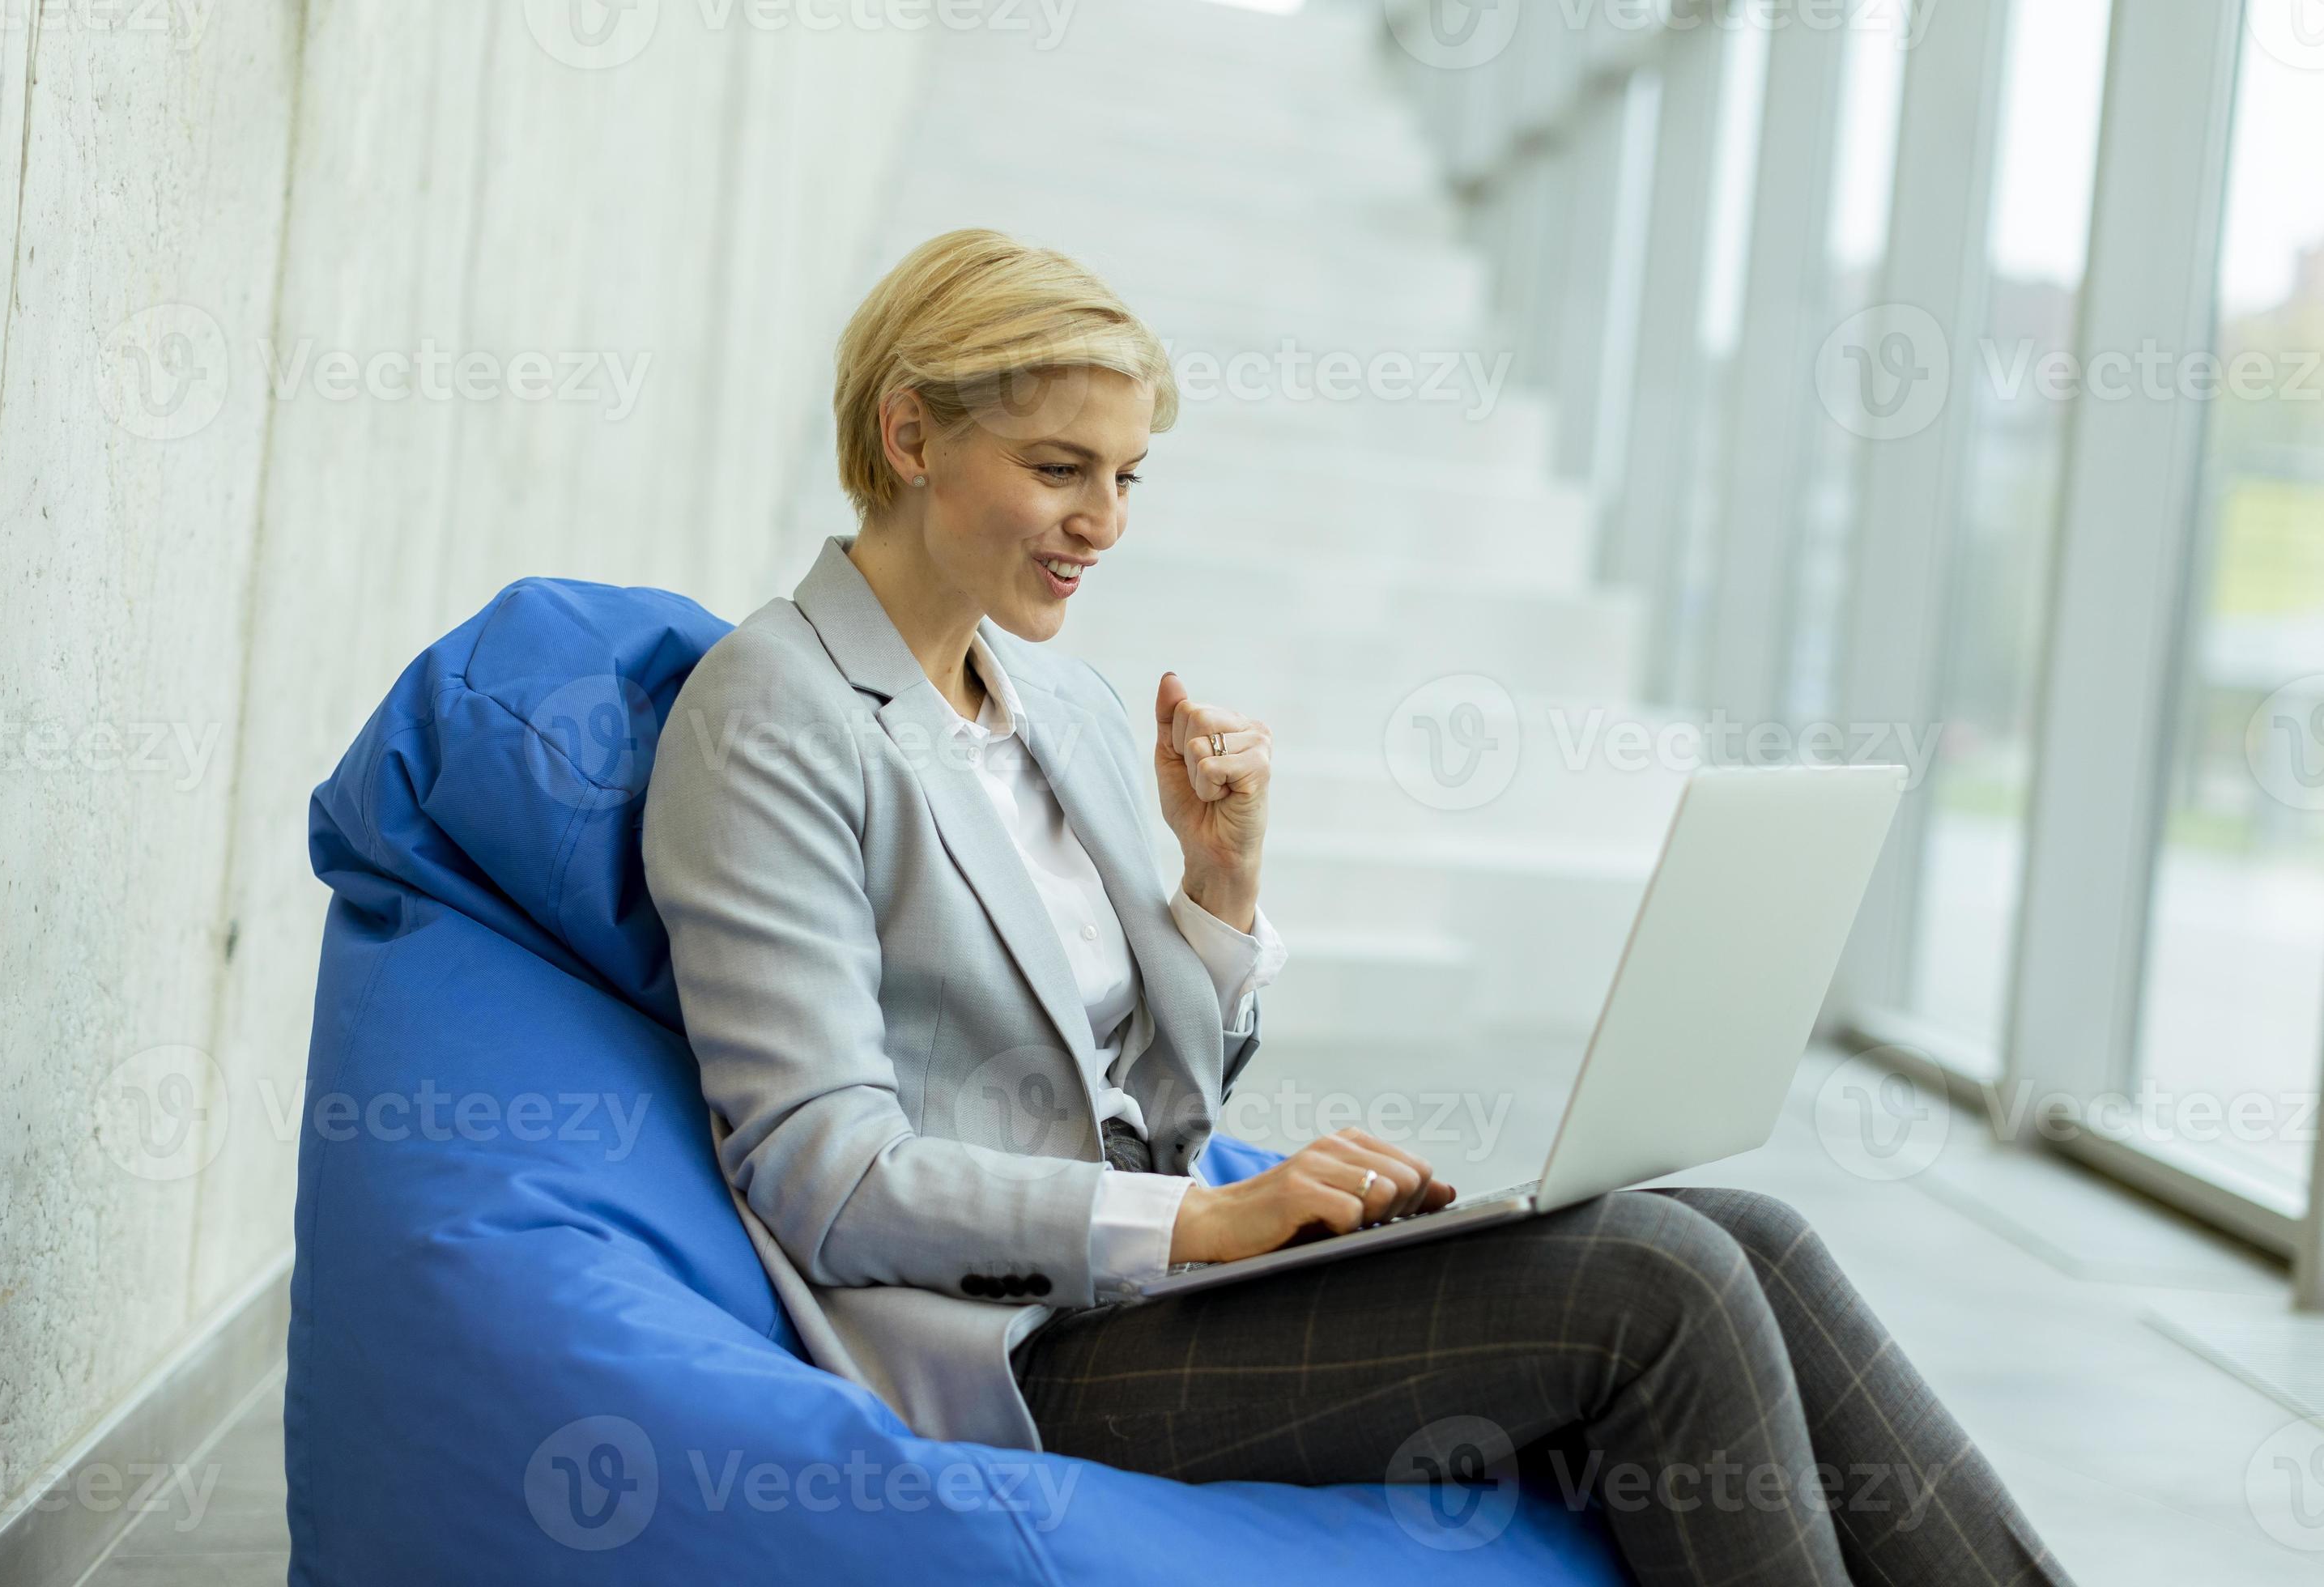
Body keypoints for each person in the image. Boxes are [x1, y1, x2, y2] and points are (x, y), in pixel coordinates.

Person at [641, 228, 2072, 1585]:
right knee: (1665, 1285)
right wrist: (1200, 1224)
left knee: (1762, 1236)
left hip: (1149, 1287)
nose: (1104, 522)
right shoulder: (774, 716)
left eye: (1129, 476)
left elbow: (1162, 1108)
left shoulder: (1058, 705)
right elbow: (826, 1177)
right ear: (909, 437)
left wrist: (1218, 890)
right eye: (1060, 468)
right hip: (1019, 1349)